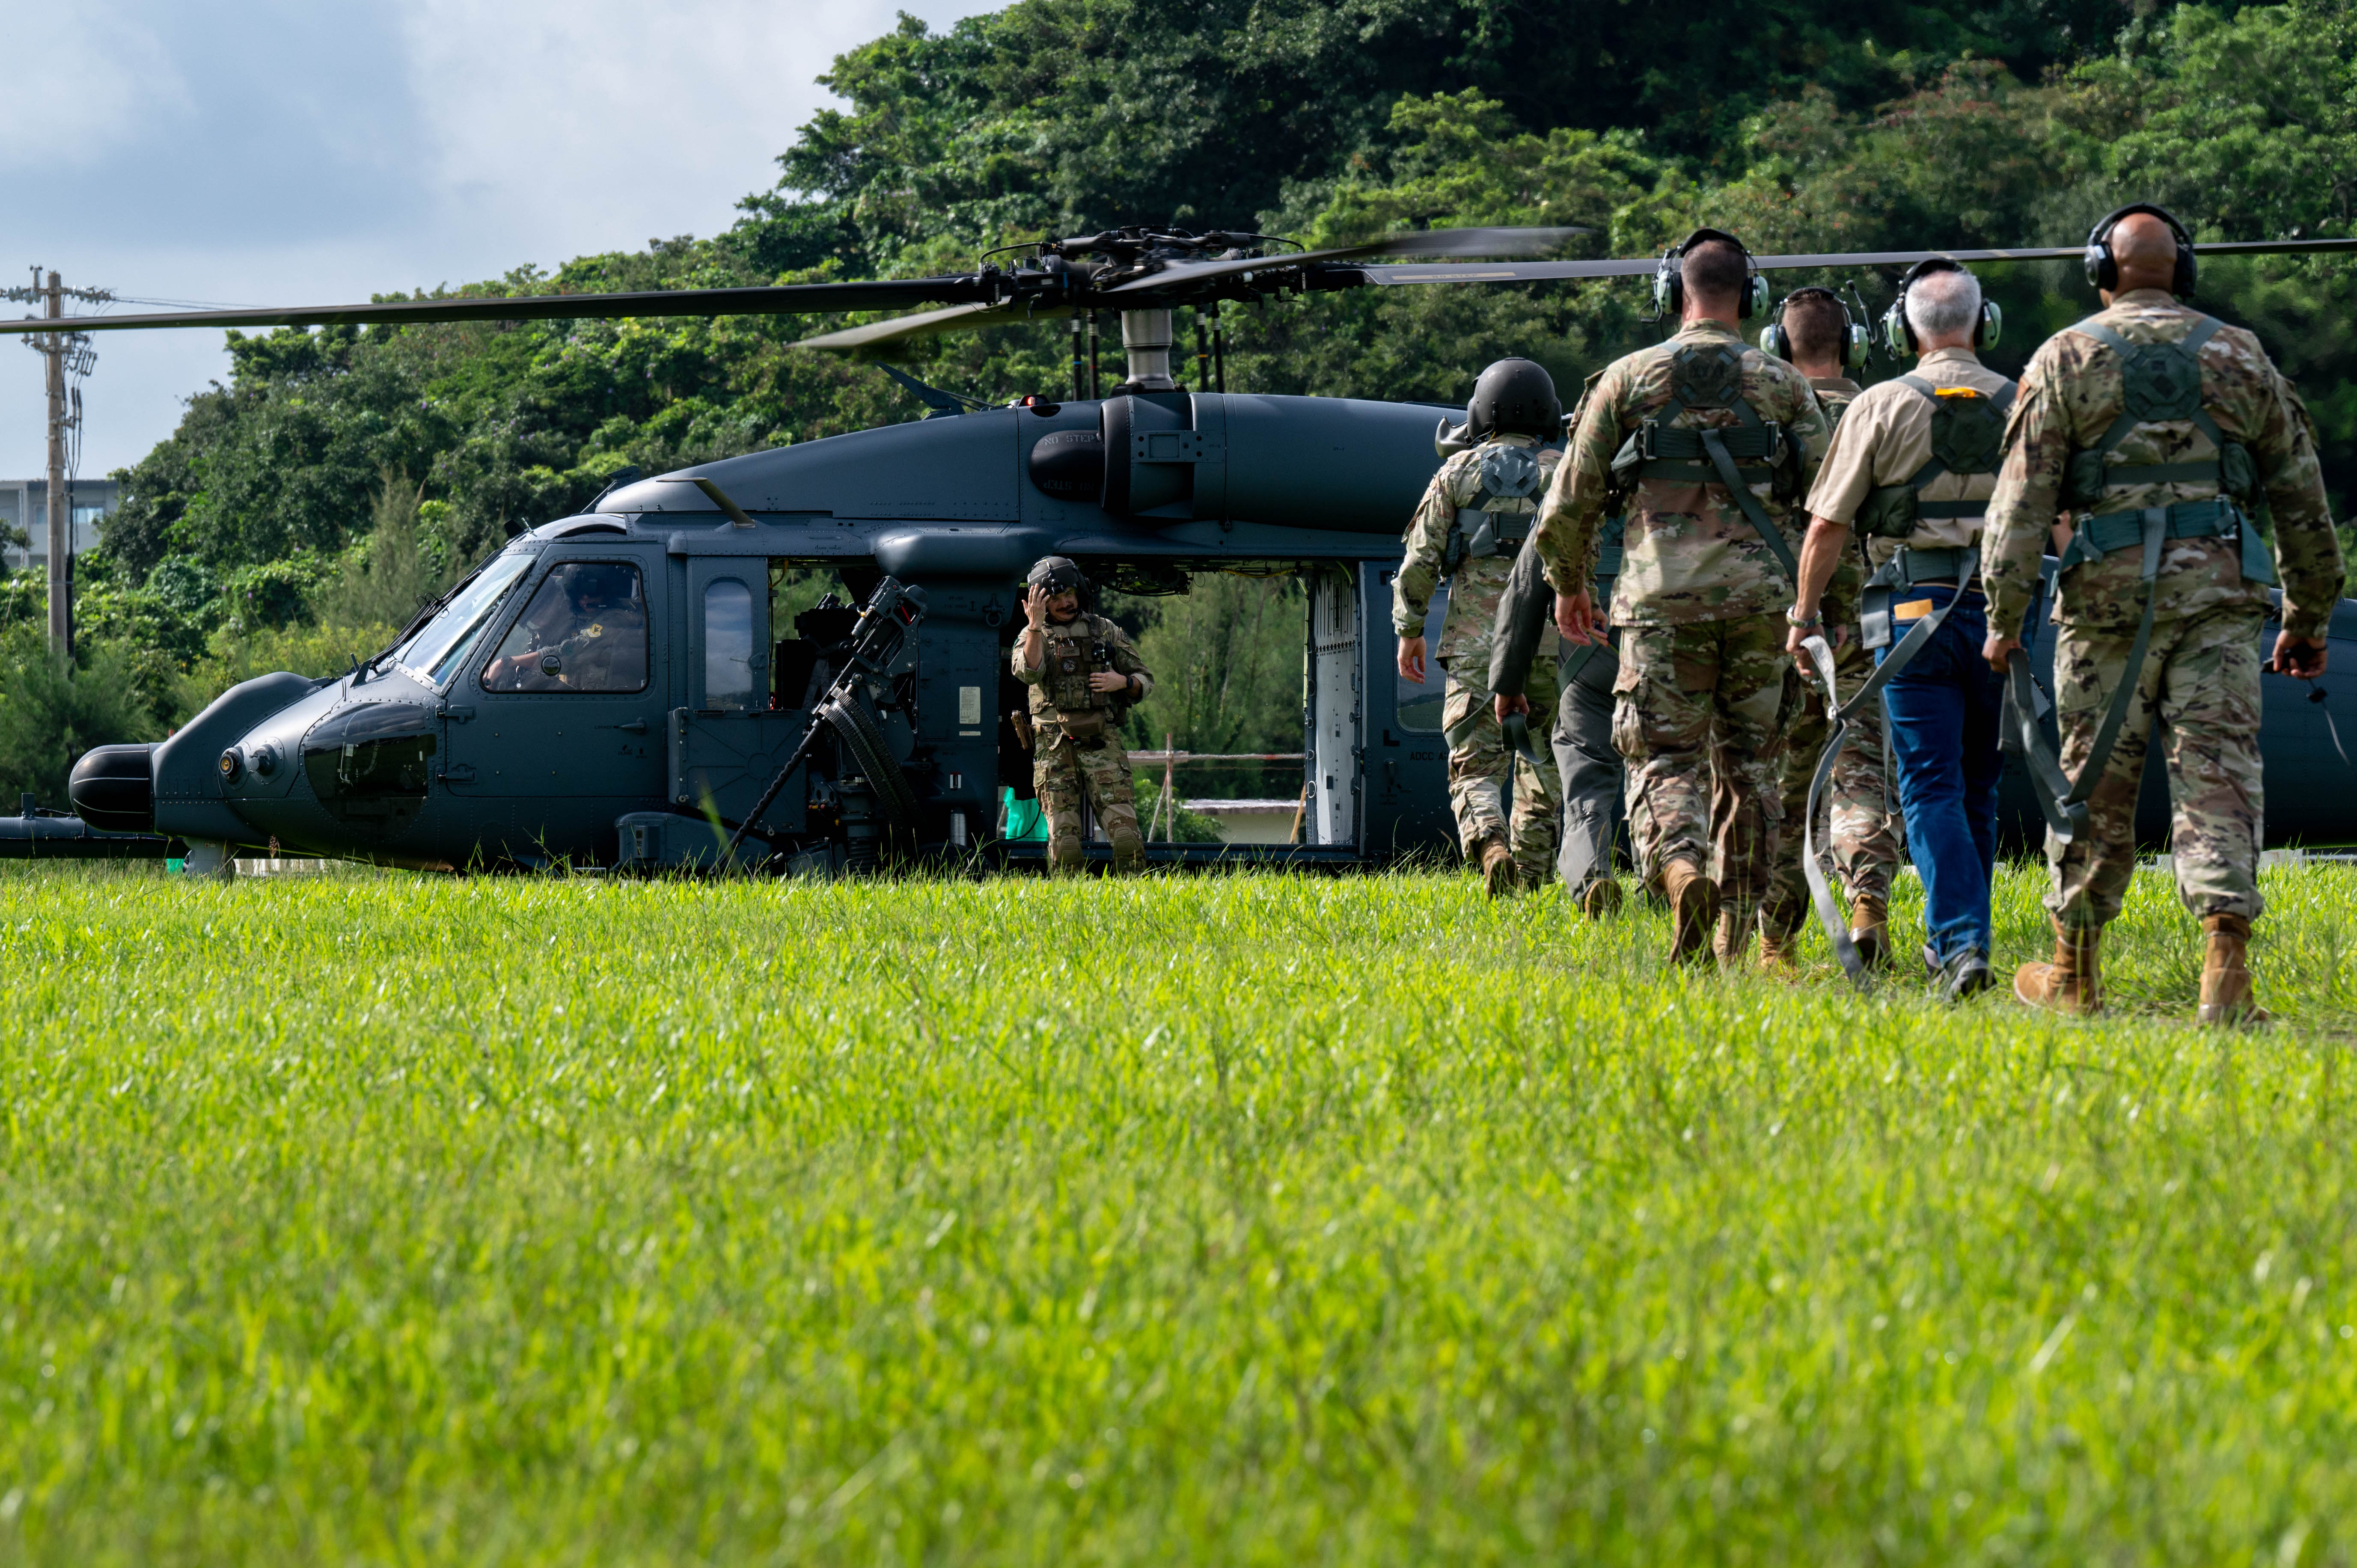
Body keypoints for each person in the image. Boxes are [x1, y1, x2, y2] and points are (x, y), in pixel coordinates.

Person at [1981, 204, 2344, 1022]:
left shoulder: (2064, 356)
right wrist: (2308, 615)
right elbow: (2300, 498)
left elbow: (2018, 507)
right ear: (2183, 270)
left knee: (2090, 778)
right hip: (2217, 601)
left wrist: (2003, 619)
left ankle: (2075, 974)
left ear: (2098, 272)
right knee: (2216, 774)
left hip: (2104, 604)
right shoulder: (2240, 353)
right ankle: (2225, 973)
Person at [1531, 228, 1831, 965]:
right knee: (1751, 767)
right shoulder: (1785, 385)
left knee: (1663, 760)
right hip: (1763, 607)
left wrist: (1569, 586)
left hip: (1658, 606)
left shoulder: (1627, 379)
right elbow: (1830, 506)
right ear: (1750, 297)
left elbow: (1567, 503)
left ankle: (1679, 869)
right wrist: (1827, 608)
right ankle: (1733, 932)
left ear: (1672, 293)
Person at [1784, 260, 2016, 999]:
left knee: (1928, 784)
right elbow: (2064, 521)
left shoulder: (1879, 405)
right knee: (1977, 780)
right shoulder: (2021, 402)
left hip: (1912, 614)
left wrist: (1803, 614)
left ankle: (1957, 943)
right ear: (1985, 324)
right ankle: (1962, 937)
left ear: (1901, 330)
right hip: (1999, 610)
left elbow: (1825, 526)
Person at [1757, 286, 1904, 972]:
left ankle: (1773, 942)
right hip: (1866, 627)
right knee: (1859, 774)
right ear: (1854, 347)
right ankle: (1866, 903)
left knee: (1785, 786)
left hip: (1778, 627)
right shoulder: (1881, 411)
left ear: (1776, 347)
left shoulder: (1764, 415)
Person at [1395, 358, 1566, 895]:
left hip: (1474, 645)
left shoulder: (1456, 473)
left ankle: (1491, 843)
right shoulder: (1563, 472)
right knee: (1542, 759)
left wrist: (1410, 627)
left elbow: (1420, 558)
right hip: (1549, 644)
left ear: (1482, 410)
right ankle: (1533, 878)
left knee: (1473, 765)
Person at [1489, 378, 1626, 917]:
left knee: (1586, 766)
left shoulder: (1572, 490)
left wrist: (1508, 685)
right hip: (1672, 640)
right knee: (1667, 763)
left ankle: (1591, 874)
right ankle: (1672, 872)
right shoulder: (1674, 481)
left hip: (1592, 652)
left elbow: (1526, 589)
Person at [1012, 555, 1155, 876]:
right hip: (1054, 747)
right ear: (1042, 603)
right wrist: (1034, 626)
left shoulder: (1105, 631)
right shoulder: (1031, 636)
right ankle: (1070, 907)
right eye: (1056, 598)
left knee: (1125, 838)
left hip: (1101, 743)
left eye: (1069, 595)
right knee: (1065, 843)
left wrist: (1123, 682)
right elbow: (1027, 672)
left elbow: (1146, 682)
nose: (1065, 603)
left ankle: (1135, 901)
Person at [481, 563, 648, 693]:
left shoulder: (616, 619)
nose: (585, 601)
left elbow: (567, 654)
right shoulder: (573, 623)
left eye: (592, 593)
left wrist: (506, 662)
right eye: (579, 595)